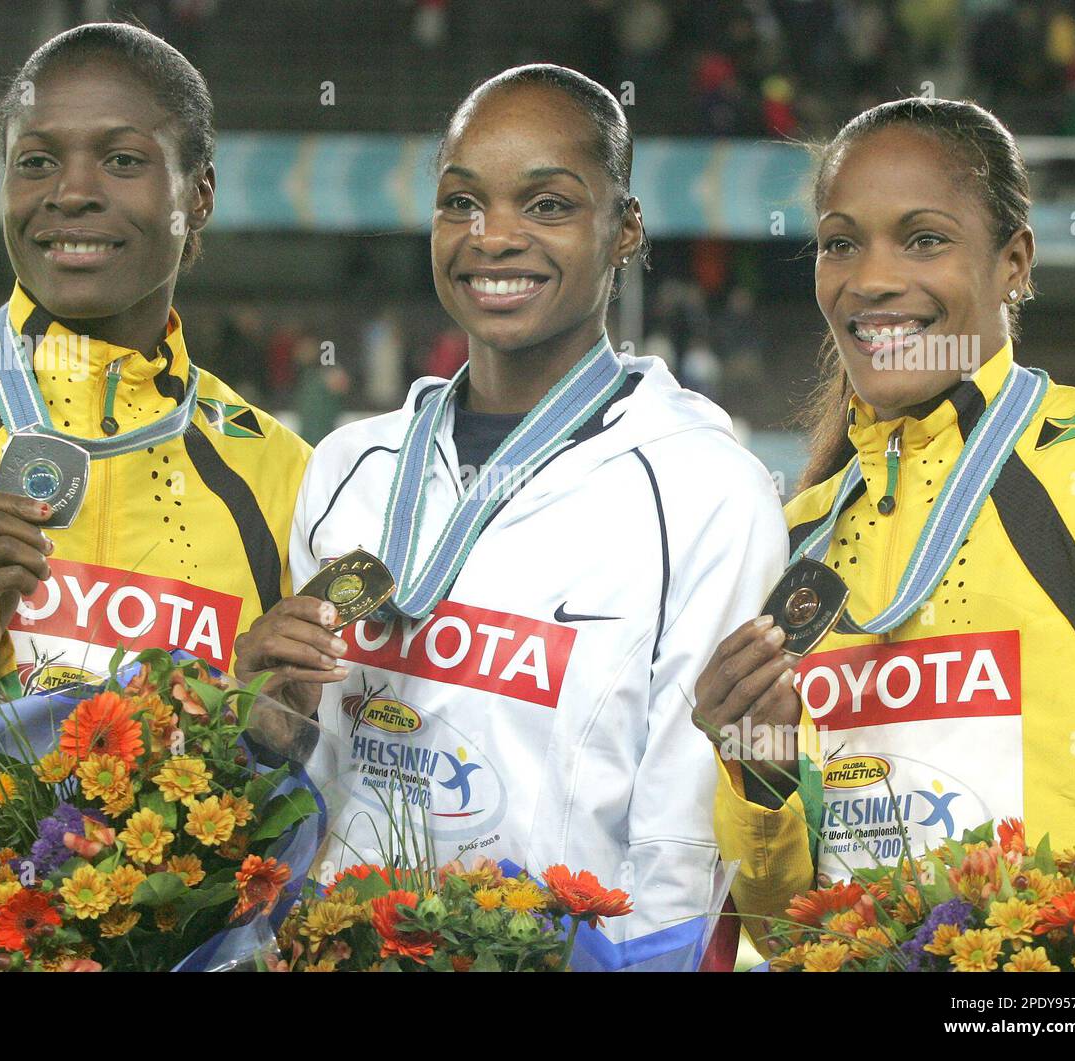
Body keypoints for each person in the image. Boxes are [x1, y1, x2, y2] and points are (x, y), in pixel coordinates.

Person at [235, 65, 787, 958]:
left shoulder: (705, 493)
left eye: (548, 205)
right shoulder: (352, 468)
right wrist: (268, 732)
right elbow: (314, 782)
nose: (493, 237)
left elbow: (679, 851)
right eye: (461, 202)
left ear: (626, 230)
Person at [0, 23, 311, 970]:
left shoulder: (281, 478)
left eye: (124, 159)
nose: (70, 191)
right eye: (36, 160)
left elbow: (289, 805)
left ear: (197, 195)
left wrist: (259, 742)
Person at [693, 98, 1075, 951]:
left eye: (923, 238)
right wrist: (759, 762)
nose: (870, 279)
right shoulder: (792, 542)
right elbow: (783, 936)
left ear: (1014, 262)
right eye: (840, 242)